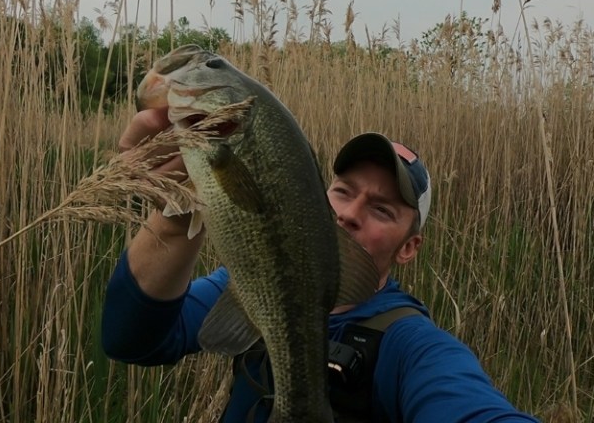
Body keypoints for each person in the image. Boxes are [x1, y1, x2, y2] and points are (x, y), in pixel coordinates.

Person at [101, 107, 539, 423]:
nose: (349, 214)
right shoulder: (256, 283)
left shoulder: (411, 346)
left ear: (410, 248)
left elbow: (467, 405)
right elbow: (131, 341)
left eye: (382, 210)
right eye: (342, 191)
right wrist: (175, 216)